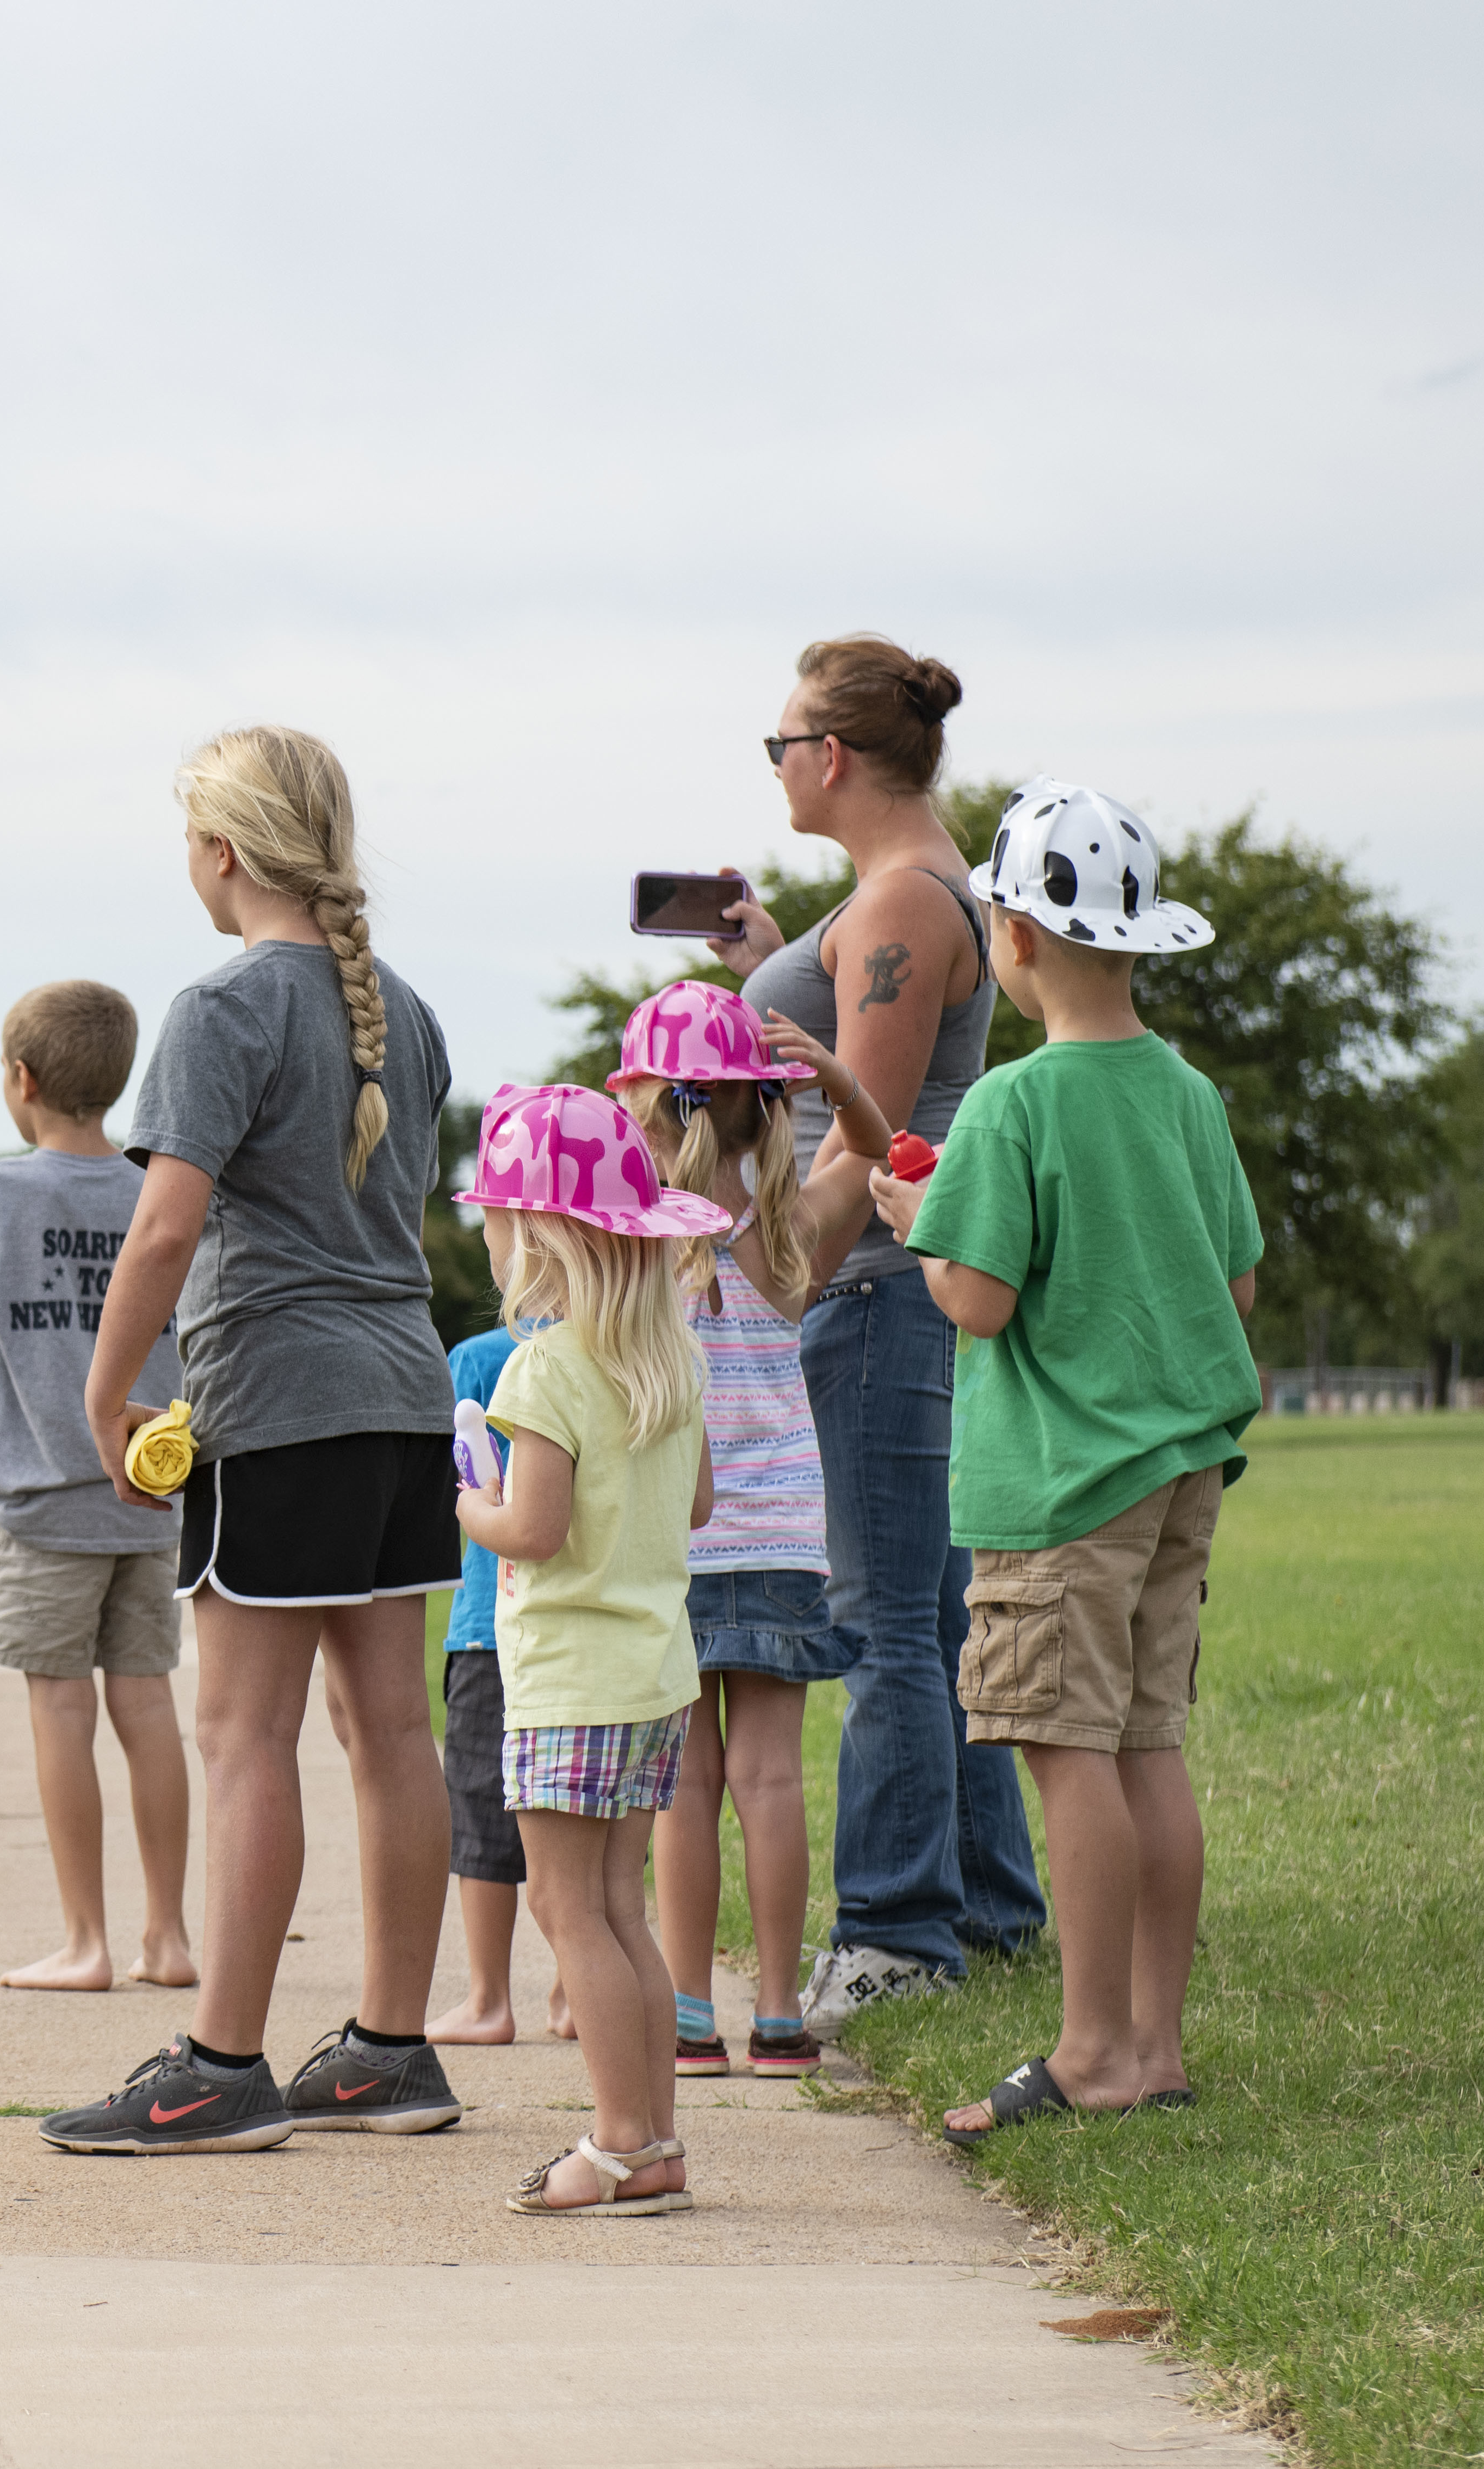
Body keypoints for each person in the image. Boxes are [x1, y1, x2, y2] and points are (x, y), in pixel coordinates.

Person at [36, 725, 465, 2156]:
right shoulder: (407, 1011)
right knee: (390, 1726)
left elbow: (163, 1225)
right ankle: (392, 2050)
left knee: (243, 1732)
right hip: (403, 1397)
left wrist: (110, 1393)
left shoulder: (223, 1010)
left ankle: (222, 2062)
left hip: (275, 1405)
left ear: (222, 853)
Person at [868, 782, 1258, 2147]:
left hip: (1056, 1483)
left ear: (1013, 939)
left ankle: (1088, 2048)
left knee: (1061, 1745)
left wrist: (922, 1220)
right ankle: (1151, 2040)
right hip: (1179, 1473)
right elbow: (1238, 1284)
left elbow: (973, 1300)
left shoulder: (1007, 1104)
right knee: (1148, 1741)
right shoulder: (1190, 1096)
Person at [722, 635, 1047, 2034]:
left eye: (780, 740)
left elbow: (877, 1142)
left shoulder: (906, 901)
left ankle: (897, 1931)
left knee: (881, 1626)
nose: (777, 762)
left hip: (865, 1287)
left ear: (833, 755)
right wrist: (761, 965)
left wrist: (763, 1275)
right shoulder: (896, 892)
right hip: (882, 1289)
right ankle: (987, 1905)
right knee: (928, 1608)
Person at [449, 1082, 731, 2214]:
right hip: (655, 1672)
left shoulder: (543, 1367)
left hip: (566, 1679)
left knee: (569, 1913)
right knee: (621, 1908)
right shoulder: (670, 1358)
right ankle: (653, 2135)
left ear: (540, 1232)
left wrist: (471, 1504)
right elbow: (700, 1503)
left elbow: (533, 1528)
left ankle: (619, 2141)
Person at [603, 982, 890, 2080]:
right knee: (770, 1780)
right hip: (780, 1541)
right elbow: (869, 1145)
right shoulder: (788, 1231)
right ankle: (777, 2013)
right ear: (761, 1107)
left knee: (686, 1780)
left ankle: (685, 2009)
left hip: (677, 1534)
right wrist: (832, 1078)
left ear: (654, 1101)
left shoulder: (635, 1238)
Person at [0, 980, 200, 1996]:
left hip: (41, 1497)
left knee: (61, 1716)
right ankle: (167, 1936)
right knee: (149, 1709)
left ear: (22, 1080)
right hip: (149, 1493)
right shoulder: (160, 1188)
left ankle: (85, 1941)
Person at [429, 1211, 569, 2046]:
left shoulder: (479, 1362)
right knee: (565, 1809)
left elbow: (456, 1490)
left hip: (489, 1625)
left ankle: (488, 1998)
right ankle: (567, 1991)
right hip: (572, 1633)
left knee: (481, 1812)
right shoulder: (621, 1361)